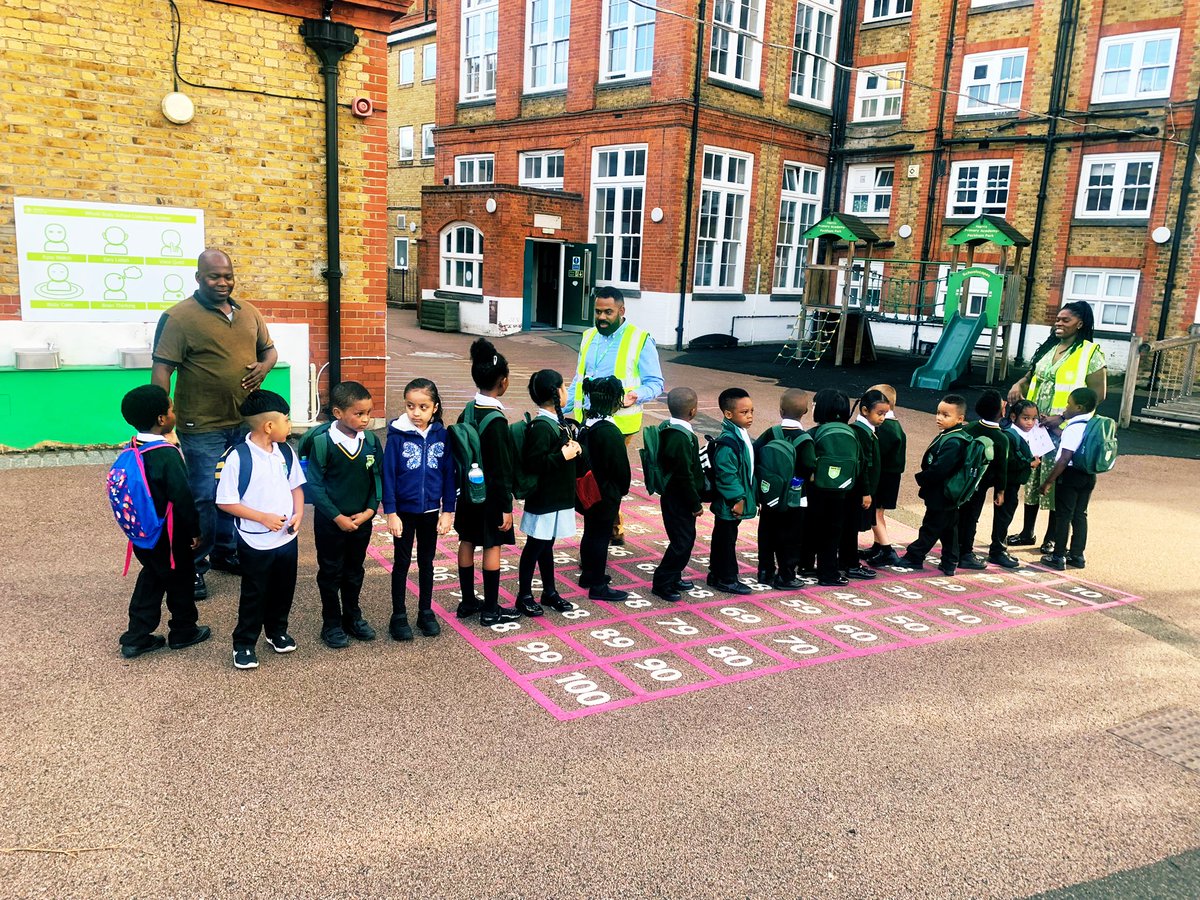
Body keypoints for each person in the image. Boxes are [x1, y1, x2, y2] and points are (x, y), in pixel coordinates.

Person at [151, 249, 278, 600]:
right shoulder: (179, 318)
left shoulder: (248, 312)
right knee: (204, 497)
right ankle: (193, 564)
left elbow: (269, 351)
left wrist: (265, 367)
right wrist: (159, 422)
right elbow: (162, 369)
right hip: (202, 424)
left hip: (244, 422)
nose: (223, 282)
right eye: (213, 277)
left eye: (227, 276)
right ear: (198, 278)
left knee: (236, 493)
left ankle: (226, 551)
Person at [115, 385, 211, 659]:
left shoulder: (133, 447)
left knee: (152, 578)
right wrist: (194, 530)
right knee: (180, 580)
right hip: (170, 535)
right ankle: (184, 631)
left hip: (143, 533)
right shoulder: (166, 453)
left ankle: (136, 637)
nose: (173, 412)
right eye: (170, 408)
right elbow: (182, 496)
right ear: (161, 419)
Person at [564, 286, 664, 545]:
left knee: (605, 476)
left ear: (622, 311)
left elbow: (655, 383)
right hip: (586, 419)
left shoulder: (640, 338)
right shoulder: (588, 336)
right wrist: (562, 410)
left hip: (619, 423)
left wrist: (633, 395)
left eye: (608, 312)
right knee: (592, 474)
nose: (602, 317)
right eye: (598, 312)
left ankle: (608, 527)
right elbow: (579, 378)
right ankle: (607, 525)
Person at [1006, 301, 1108, 555]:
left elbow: (1098, 394)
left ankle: (1051, 537)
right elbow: (1032, 376)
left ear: (1080, 323)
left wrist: (1062, 415)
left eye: (1065, 320)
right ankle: (1027, 531)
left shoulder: (1090, 352)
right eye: (1058, 319)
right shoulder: (1050, 348)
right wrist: (1019, 383)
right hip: (1036, 425)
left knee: (1054, 481)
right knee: (1031, 477)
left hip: (1063, 427)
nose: (1058, 323)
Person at [215, 390, 305, 670]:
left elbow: (296, 487)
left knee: (283, 589)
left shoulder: (286, 452)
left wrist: (298, 513)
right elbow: (226, 501)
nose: (289, 426)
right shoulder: (237, 457)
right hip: (254, 541)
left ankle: (276, 631)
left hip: (287, 538)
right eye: (286, 420)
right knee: (255, 593)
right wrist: (262, 518)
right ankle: (243, 643)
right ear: (269, 426)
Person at [305, 381, 382, 649]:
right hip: (330, 523)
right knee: (330, 571)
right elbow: (314, 485)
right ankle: (331, 622)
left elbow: (377, 480)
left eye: (368, 413)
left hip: (362, 520)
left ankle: (352, 616)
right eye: (358, 414)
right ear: (338, 413)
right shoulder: (323, 443)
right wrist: (337, 517)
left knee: (354, 570)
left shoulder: (371, 442)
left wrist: (370, 511)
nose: (365, 420)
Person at [453, 339, 521, 627]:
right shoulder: (496, 420)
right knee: (492, 546)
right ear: (503, 382)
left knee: (467, 540)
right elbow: (502, 470)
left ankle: (468, 600)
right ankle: (491, 609)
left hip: (467, 492)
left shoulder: (467, 410)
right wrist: (506, 507)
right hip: (491, 497)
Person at [383, 378, 457, 640]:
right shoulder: (396, 436)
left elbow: (449, 474)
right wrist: (391, 512)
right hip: (403, 512)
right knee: (402, 562)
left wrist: (448, 510)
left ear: (434, 407)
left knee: (427, 562)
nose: (416, 413)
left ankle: (425, 611)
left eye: (423, 407)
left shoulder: (442, 435)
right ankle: (398, 615)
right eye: (410, 406)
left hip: (429, 513)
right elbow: (388, 475)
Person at [515, 370, 582, 615]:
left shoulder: (556, 422)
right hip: (544, 500)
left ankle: (549, 592)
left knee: (546, 545)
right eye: (564, 388)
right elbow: (533, 463)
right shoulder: (542, 426)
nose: (567, 392)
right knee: (535, 546)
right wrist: (561, 455)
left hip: (556, 498)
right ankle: (524, 595)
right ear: (557, 394)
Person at [895, 394, 969, 576]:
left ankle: (915, 555)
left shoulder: (954, 441)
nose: (939, 418)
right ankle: (949, 561)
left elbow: (940, 469)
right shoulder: (951, 435)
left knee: (931, 526)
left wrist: (922, 477)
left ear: (960, 419)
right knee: (949, 528)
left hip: (942, 492)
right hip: (947, 493)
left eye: (946, 415)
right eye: (938, 413)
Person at [577, 376, 633, 601]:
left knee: (590, 532)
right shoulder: (609, 431)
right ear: (615, 401)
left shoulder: (586, 425)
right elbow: (621, 468)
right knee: (600, 537)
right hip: (606, 493)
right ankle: (598, 585)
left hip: (589, 490)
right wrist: (623, 488)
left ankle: (589, 575)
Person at [753, 388, 814, 590]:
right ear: (805, 411)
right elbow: (808, 467)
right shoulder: (805, 440)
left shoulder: (771, 433)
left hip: (770, 495)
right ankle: (786, 576)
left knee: (767, 532)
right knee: (791, 538)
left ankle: (765, 571)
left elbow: (756, 454)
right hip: (795, 499)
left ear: (780, 410)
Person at [651, 387, 706, 603]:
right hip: (679, 499)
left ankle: (674, 577)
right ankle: (662, 581)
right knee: (682, 542)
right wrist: (695, 503)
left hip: (675, 497)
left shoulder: (671, 427)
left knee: (682, 538)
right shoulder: (681, 437)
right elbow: (684, 474)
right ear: (693, 411)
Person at [1038, 388, 1099, 571]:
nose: (1066, 408)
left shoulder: (1073, 427)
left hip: (1070, 476)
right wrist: (1053, 428)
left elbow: (1064, 458)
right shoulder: (1092, 423)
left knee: (1063, 515)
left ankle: (1058, 556)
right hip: (1088, 475)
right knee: (1080, 515)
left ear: (1079, 407)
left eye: (1069, 404)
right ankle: (1077, 555)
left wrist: (1048, 481)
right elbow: (1072, 441)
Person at [805, 389, 859, 587]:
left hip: (815, 491)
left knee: (811, 526)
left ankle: (805, 565)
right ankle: (828, 573)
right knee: (832, 532)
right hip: (841, 492)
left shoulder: (813, 433)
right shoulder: (851, 433)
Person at [707, 387, 756, 595]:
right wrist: (738, 498)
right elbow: (727, 474)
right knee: (726, 540)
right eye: (744, 412)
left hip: (733, 500)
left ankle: (716, 574)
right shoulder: (729, 441)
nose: (750, 416)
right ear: (728, 414)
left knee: (724, 537)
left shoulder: (739, 434)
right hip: (730, 502)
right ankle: (726, 578)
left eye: (752, 411)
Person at [954, 390, 1010, 570]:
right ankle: (966, 553)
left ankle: (954, 548)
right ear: (1000, 412)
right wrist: (1001, 491)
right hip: (980, 483)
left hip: (963, 479)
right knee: (972, 518)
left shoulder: (969, 427)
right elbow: (1002, 468)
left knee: (960, 515)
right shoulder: (1001, 437)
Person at [988, 400, 1037, 569]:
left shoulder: (1021, 434)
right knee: (1003, 516)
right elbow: (1007, 463)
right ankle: (997, 550)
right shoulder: (1010, 435)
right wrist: (1029, 463)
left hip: (1012, 483)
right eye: (1026, 418)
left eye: (1033, 418)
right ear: (1014, 417)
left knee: (1006, 514)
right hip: (1007, 483)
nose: (1030, 422)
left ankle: (999, 548)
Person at [845, 391, 887, 580]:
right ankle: (850, 563)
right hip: (859, 491)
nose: (883, 418)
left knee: (852, 526)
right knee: (851, 526)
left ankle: (847, 561)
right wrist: (866, 492)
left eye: (885, 414)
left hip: (864, 489)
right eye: (879, 413)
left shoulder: (868, 431)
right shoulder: (860, 432)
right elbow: (864, 465)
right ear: (864, 410)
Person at [863, 383, 905, 568]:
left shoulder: (884, 428)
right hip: (891, 476)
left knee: (874, 514)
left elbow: (876, 454)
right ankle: (878, 546)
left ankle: (887, 550)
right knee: (879, 513)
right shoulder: (894, 425)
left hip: (883, 476)